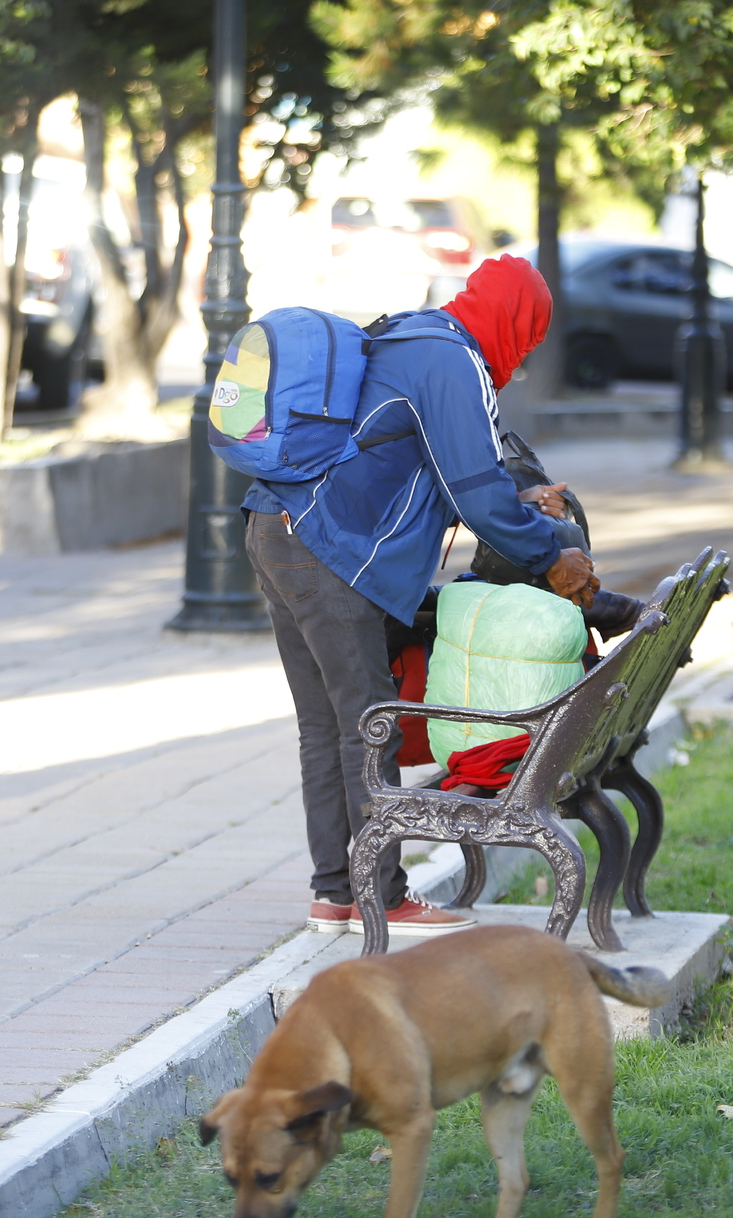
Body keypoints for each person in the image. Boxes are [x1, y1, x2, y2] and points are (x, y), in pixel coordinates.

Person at [241, 256, 598, 936]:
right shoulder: (451, 361)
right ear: (516, 324)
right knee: (367, 724)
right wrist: (552, 555)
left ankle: (336, 896)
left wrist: (516, 499)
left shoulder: (416, 334)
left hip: (276, 527)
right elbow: (474, 490)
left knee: (326, 725)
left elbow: (427, 463)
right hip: (328, 546)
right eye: (529, 336)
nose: (523, 354)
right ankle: (386, 898)